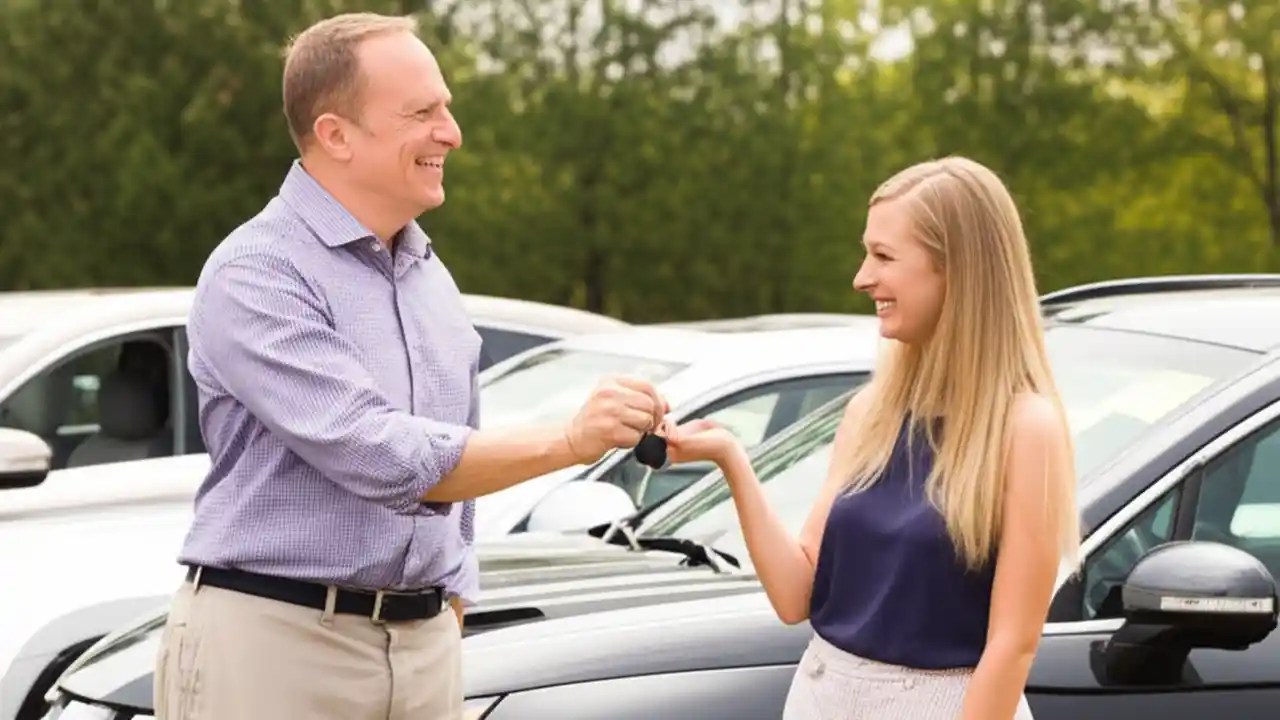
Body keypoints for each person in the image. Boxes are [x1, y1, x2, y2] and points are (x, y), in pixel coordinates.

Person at [154, 12, 667, 720]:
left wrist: (451, 599)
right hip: (279, 648)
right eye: (422, 112)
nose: (451, 133)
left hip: (424, 646)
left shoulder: (427, 274)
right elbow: (381, 453)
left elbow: (456, 458)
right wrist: (571, 442)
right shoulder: (257, 273)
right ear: (335, 134)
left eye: (447, 109)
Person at [662, 156, 1079, 719]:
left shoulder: (1026, 428)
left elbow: (1012, 647)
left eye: (884, 256)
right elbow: (795, 597)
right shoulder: (871, 413)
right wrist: (731, 458)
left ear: (958, 270)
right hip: (821, 694)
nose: (861, 277)